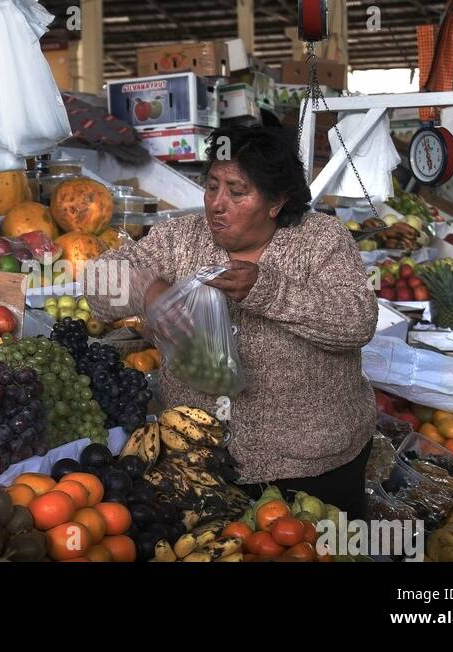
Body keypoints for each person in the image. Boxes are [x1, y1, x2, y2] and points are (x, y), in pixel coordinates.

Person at [85, 125, 378, 518]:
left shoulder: (320, 240)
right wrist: (150, 291)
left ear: (276, 202)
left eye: (237, 192)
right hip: (202, 464)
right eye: (211, 187)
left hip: (313, 468)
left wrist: (268, 291)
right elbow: (98, 280)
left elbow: (356, 321)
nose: (217, 205)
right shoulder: (181, 239)